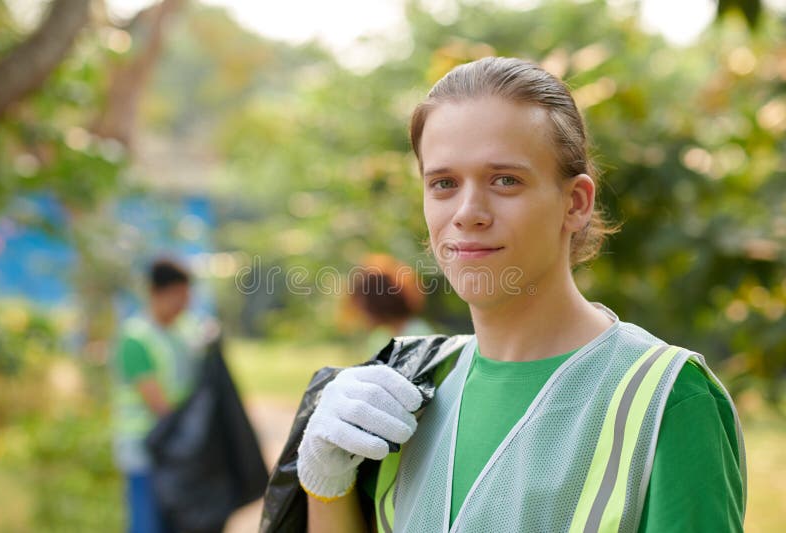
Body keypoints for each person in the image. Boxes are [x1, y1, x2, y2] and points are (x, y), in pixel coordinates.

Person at [294, 57, 745, 532]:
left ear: (575, 203)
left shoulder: (669, 399)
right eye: (444, 183)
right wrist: (327, 484)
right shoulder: (405, 388)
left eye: (505, 180)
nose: (468, 213)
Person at [111, 258, 204, 533]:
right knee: (147, 524)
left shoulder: (180, 334)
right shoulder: (135, 338)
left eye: (186, 297)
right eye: (177, 296)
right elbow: (158, 403)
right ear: (156, 292)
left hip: (173, 448)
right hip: (144, 450)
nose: (183, 305)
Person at [348, 254, 435, 356]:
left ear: (378, 304)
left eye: (365, 308)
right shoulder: (379, 338)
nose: (362, 314)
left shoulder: (418, 334)